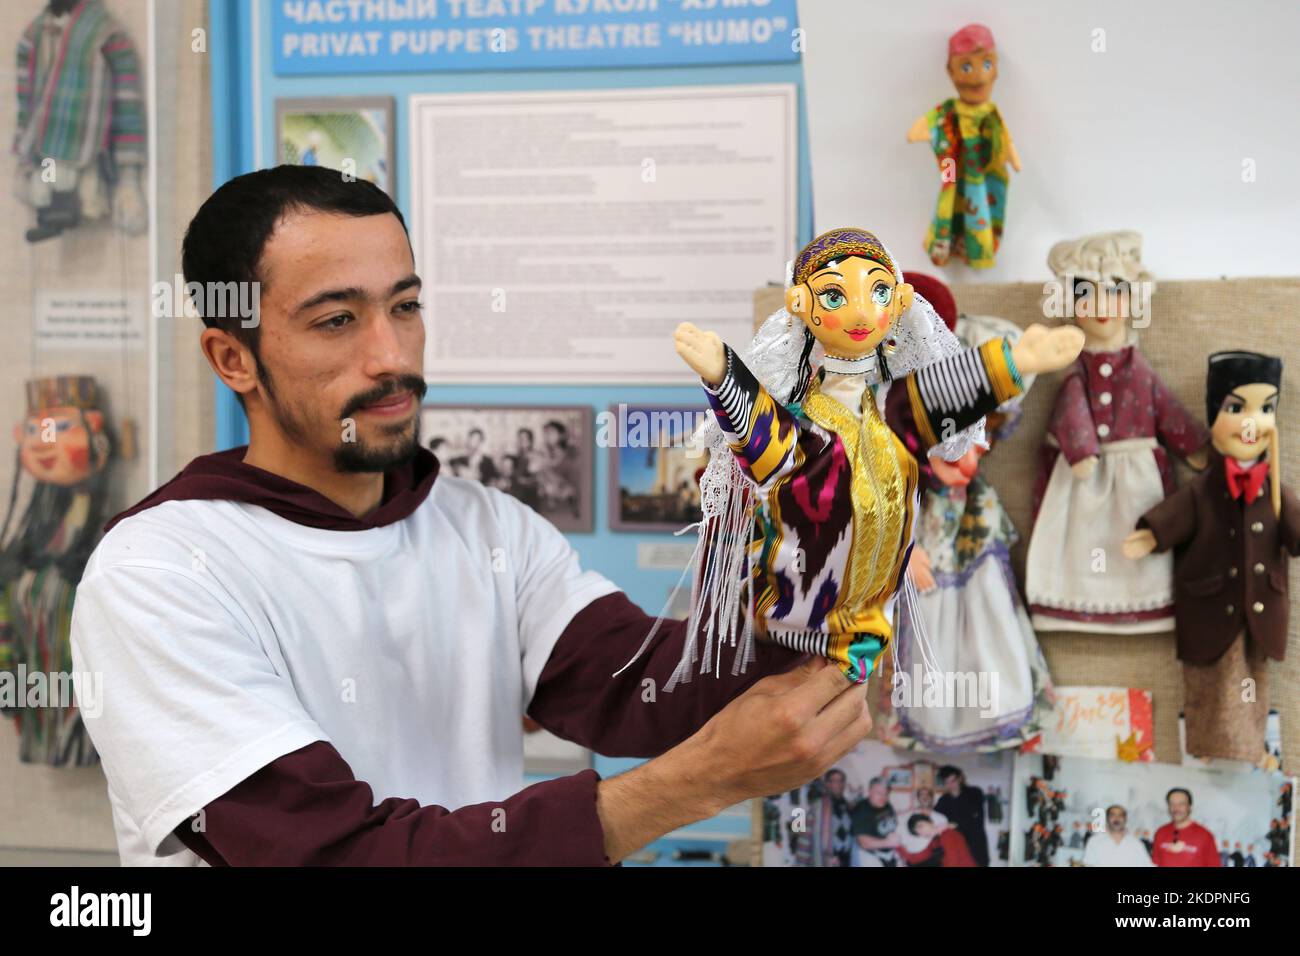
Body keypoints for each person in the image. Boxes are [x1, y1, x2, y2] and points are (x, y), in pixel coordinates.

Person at [67, 165, 875, 866]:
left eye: (406, 306)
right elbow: (333, 856)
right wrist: (695, 783)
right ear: (231, 357)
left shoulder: (486, 526)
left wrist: (813, 591)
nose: (391, 355)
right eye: (337, 319)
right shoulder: (160, 573)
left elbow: (635, 685)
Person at [934, 765, 990, 866]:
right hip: (955, 847)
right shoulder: (943, 800)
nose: (951, 785)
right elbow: (936, 818)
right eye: (947, 782)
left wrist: (953, 825)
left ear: (960, 778)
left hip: (975, 845)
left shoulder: (975, 793)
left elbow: (974, 817)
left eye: (953, 781)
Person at [1151, 788, 1220, 867]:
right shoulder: (1160, 832)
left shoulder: (1205, 836)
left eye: (1181, 804)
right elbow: (1156, 863)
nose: (1176, 808)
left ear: (1189, 807)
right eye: (1172, 804)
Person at [807, 768, 855, 867]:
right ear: (827, 784)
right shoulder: (817, 806)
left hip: (847, 860)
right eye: (833, 781)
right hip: (826, 860)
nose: (838, 784)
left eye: (841, 781)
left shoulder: (848, 806)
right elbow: (805, 836)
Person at [851, 778, 901, 867]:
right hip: (870, 857)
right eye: (879, 793)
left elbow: (893, 823)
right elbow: (864, 843)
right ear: (869, 792)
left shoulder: (886, 804)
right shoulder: (861, 810)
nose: (883, 797)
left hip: (890, 854)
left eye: (886, 793)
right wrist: (889, 842)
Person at [1082, 805, 1154, 867]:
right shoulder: (1094, 842)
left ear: (1125, 819)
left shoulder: (1136, 844)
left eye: (1120, 815)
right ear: (1107, 819)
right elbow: (1087, 864)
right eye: (1112, 815)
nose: (1117, 819)